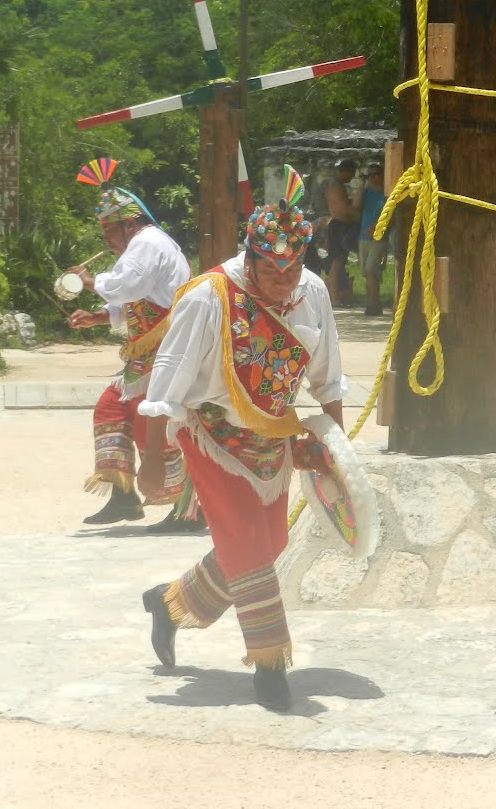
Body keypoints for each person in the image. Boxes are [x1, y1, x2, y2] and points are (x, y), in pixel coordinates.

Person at [136, 195, 346, 712]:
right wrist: (153, 457)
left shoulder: (312, 293)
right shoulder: (207, 298)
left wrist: (334, 446)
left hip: (273, 434)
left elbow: (328, 377)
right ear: (249, 256)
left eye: (294, 267)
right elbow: (165, 382)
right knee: (248, 547)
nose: (285, 279)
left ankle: (171, 601)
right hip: (209, 433)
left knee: (270, 542)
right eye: (273, 269)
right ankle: (270, 663)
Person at [67, 177, 198, 531]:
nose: (107, 240)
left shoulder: (148, 241)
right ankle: (124, 496)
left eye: (109, 231)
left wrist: (89, 282)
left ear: (129, 224)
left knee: (152, 425)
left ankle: (191, 509)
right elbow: (140, 300)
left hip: (165, 351)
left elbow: (130, 286)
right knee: (111, 409)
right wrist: (98, 317)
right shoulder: (143, 246)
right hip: (147, 353)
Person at [321, 159, 360, 306]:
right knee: (336, 262)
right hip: (339, 225)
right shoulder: (336, 186)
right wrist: (357, 214)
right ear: (346, 171)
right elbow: (342, 210)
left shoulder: (336, 185)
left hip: (338, 225)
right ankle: (334, 297)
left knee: (338, 262)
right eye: (351, 174)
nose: (351, 178)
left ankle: (335, 295)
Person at [357, 163, 391, 316]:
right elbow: (356, 205)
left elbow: (392, 215)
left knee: (371, 270)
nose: (373, 178)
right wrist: (361, 184)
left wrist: (379, 227)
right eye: (369, 175)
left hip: (379, 237)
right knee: (367, 272)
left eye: (376, 174)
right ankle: (374, 303)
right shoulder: (366, 192)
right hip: (363, 237)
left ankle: (372, 303)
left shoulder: (387, 194)